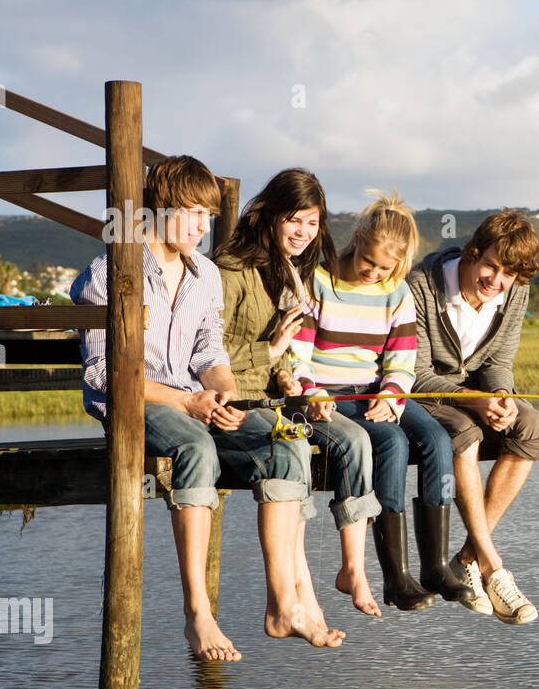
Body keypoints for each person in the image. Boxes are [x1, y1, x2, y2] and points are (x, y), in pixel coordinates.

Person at [72, 155, 344, 660]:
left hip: (192, 401)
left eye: (207, 215)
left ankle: (283, 604)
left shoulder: (205, 276)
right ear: (157, 210)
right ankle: (198, 612)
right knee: (196, 445)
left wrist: (223, 394)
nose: (203, 226)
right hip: (137, 403)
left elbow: (211, 354)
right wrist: (185, 401)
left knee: (283, 444)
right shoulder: (112, 270)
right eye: (192, 213)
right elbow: (101, 374)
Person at [212, 168, 387, 617]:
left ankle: (354, 568)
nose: (304, 233)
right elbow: (206, 353)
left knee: (356, 439)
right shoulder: (230, 270)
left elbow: (287, 352)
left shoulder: (293, 272)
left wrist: (290, 375)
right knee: (290, 448)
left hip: (283, 398)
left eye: (312, 223)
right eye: (294, 220)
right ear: (269, 214)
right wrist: (268, 351)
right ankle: (295, 595)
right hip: (239, 401)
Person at [290, 189, 470, 611]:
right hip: (330, 396)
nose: (372, 273)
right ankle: (394, 575)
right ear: (356, 238)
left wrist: (392, 396)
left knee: (436, 438)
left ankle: (436, 564)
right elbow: (297, 354)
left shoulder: (397, 292)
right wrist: (311, 392)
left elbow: (402, 362)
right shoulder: (319, 281)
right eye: (367, 262)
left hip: (377, 392)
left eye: (384, 268)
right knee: (392, 442)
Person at [407, 209, 539, 625]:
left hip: (476, 394)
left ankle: (466, 557)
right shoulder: (421, 287)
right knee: (465, 431)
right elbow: (415, 375)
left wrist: (501, 395)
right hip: (426, 394)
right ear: (472, 251)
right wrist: (476, 401)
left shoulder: (514, 291)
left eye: (508, 274)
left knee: (532, 424)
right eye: (491, 265)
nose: (496, 281)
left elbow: (500, 363)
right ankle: (493, 566)